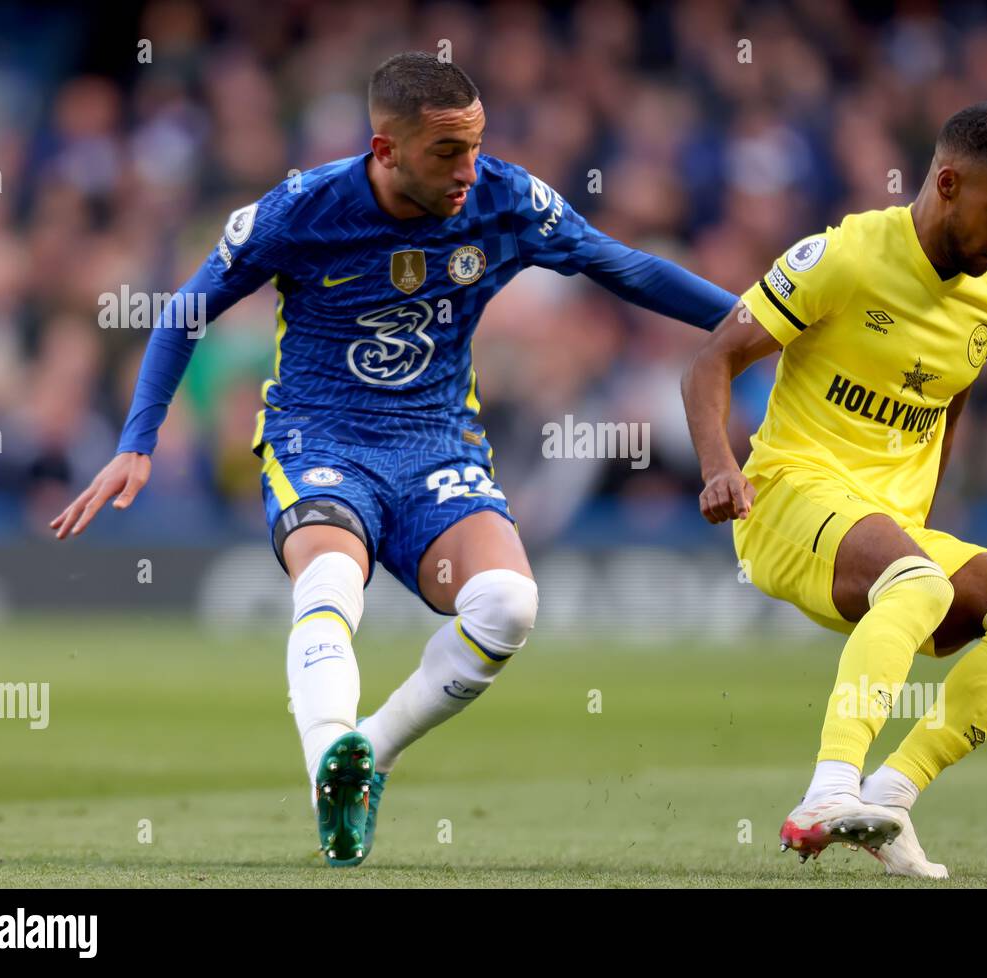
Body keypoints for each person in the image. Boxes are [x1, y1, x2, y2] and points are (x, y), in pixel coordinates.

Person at [52, 51, 737, 867]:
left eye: (476, 146)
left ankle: (366, 754)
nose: (468, 169)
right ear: (385, 150)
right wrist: (138, 442)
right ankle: (327, 765)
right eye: (448, 152)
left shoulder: (504, 201)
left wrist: (762, 323)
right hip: (320, 439)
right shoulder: (303, 209)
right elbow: (185, 309)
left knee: (508, 608)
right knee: (334, 579)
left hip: (436, 446)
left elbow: (627, 268)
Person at [681, 102, 987, 878]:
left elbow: (947, 404)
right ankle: (827, 793)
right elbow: (711, 362)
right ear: (949, 184)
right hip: (786, 497)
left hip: (882, 524)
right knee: (917, 581)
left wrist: (918, 513)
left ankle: (890, 797)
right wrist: (720, 466)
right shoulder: (844, 256)